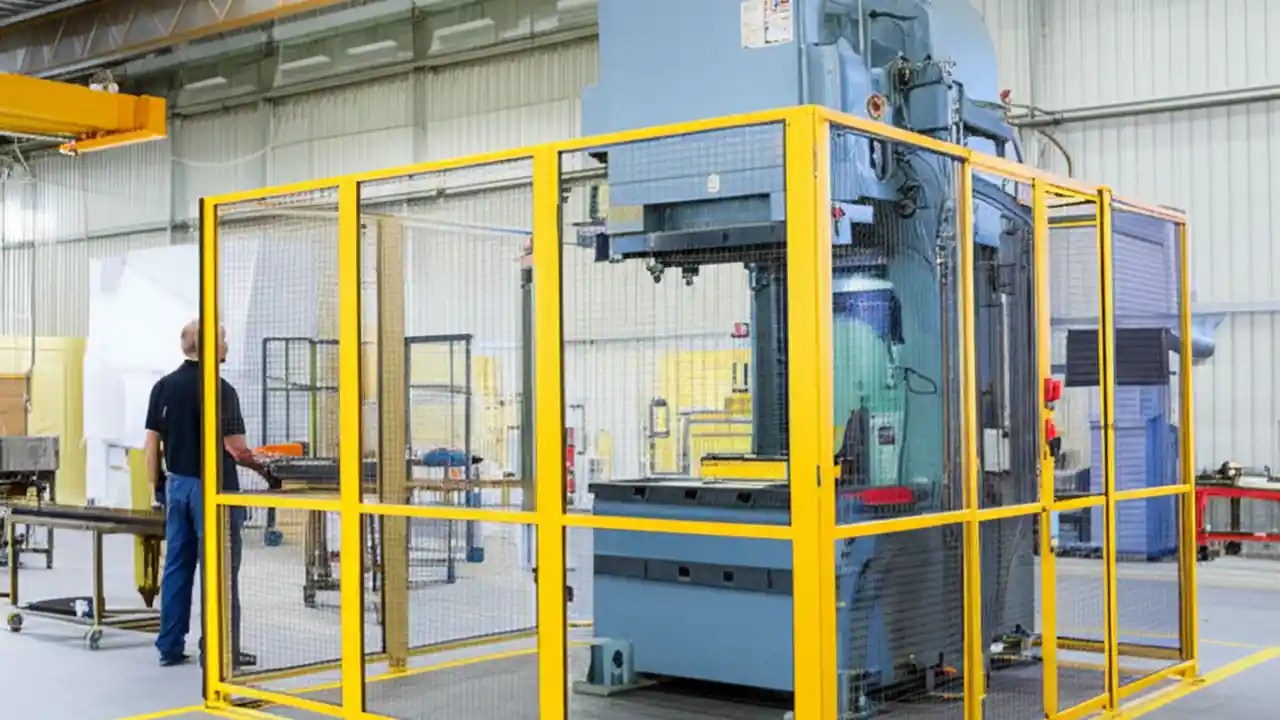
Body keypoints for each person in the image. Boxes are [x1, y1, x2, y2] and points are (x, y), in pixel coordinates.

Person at [144, 320, 272, 668]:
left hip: (177, 487)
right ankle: (221, 650)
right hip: (213, 491)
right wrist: (267, 470)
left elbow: (152, 445)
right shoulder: (221, 390)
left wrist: (156, 488)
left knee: (176, 567)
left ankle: (169, 645)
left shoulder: (163, 387)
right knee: (221, 571)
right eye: (223, 340)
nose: (227, 346)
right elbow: (236, 449)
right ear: (209, 347)